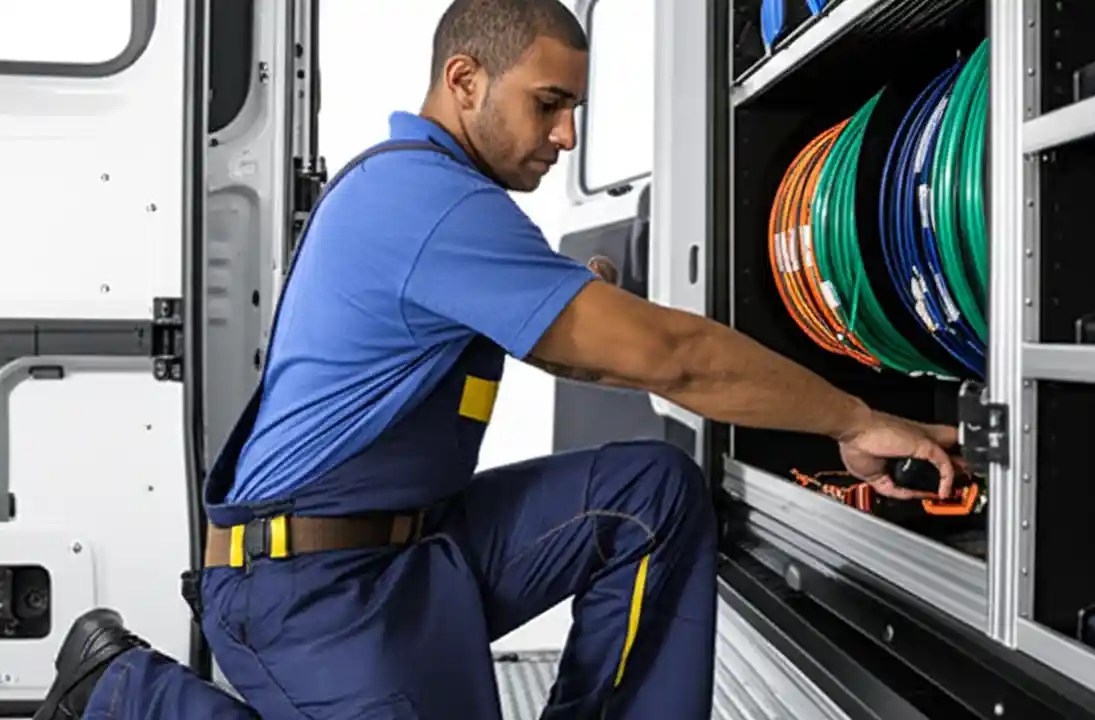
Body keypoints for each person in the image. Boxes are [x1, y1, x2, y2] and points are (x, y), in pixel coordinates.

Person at [34, 0, 959, 718]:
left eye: (574, 111)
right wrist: (856, 416)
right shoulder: (431, 205)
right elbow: (668, 360)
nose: (564, 135)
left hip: (412, 549)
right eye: (548, 104)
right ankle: (120, 693)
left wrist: (574, 292)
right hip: (309, 593)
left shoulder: (432, 191)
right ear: (465, 79)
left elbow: (573, 347)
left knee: (652, 497)